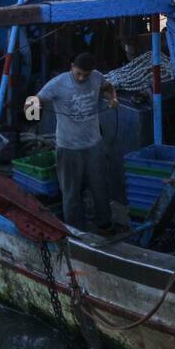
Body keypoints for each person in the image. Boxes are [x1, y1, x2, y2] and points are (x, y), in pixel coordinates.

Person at [35, 52, 120, 234]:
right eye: (78, 73)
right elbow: (37, 99)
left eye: (86, 75)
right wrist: (31, 108)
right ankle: (75, 232)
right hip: (68, 147)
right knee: (71, 193)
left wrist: (112, 98)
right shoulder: (58, 84)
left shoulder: (96, 77)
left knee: (100, 187)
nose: (82, 78)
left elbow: (108, 87)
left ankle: (105, 225)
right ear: (71, 67)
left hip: (94, 145)